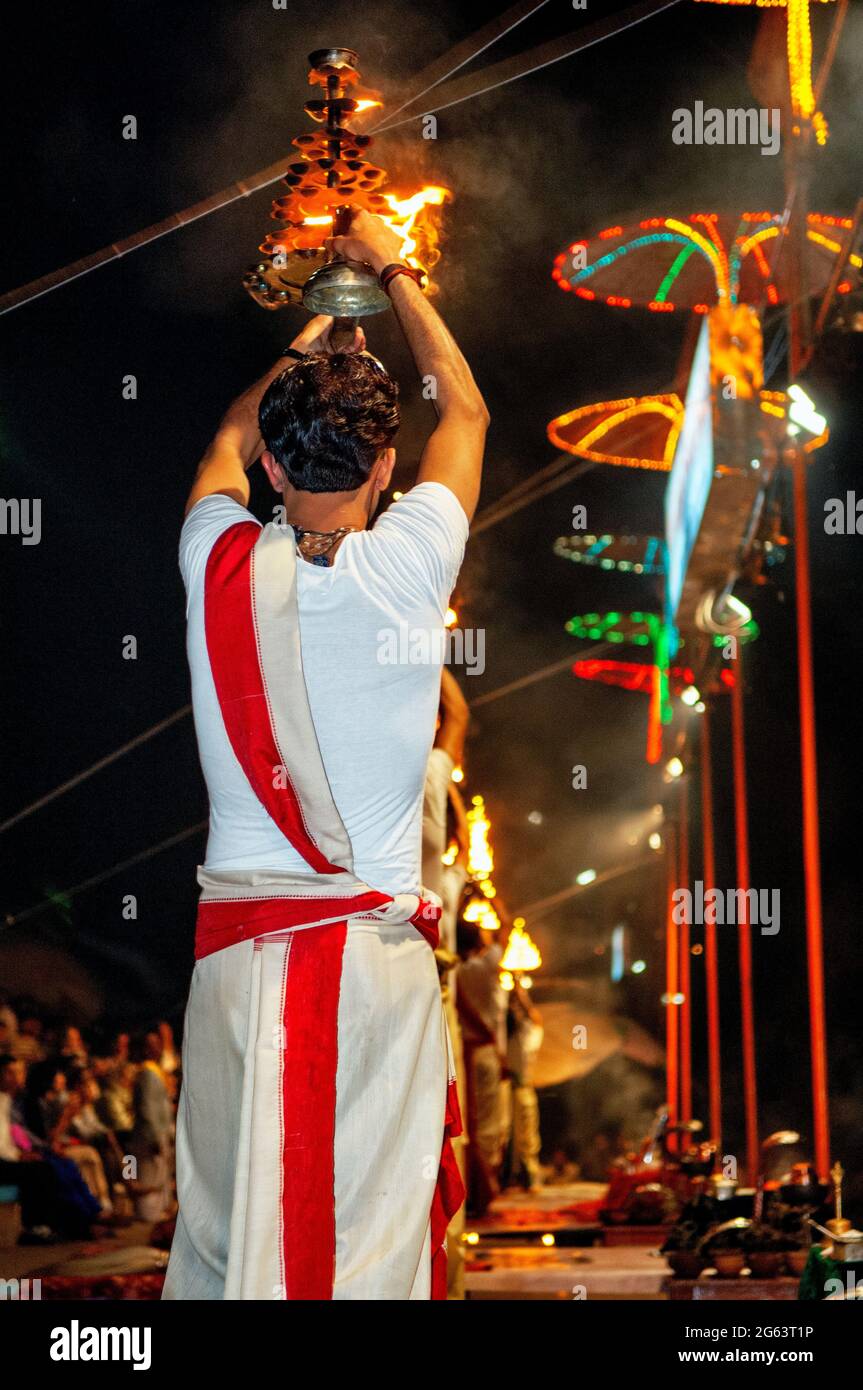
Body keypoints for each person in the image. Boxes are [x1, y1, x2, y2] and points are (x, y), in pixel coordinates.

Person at [163, 208, 489, 1302]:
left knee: (227, 1232)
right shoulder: (406, 568)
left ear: (265, 461)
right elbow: (470, 407)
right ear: (385, 464)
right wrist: (385, 272)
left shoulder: (214, 556)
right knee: (363, 1244)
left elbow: (222, 438)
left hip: (232, 971)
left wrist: (318, 323)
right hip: (369, 974)